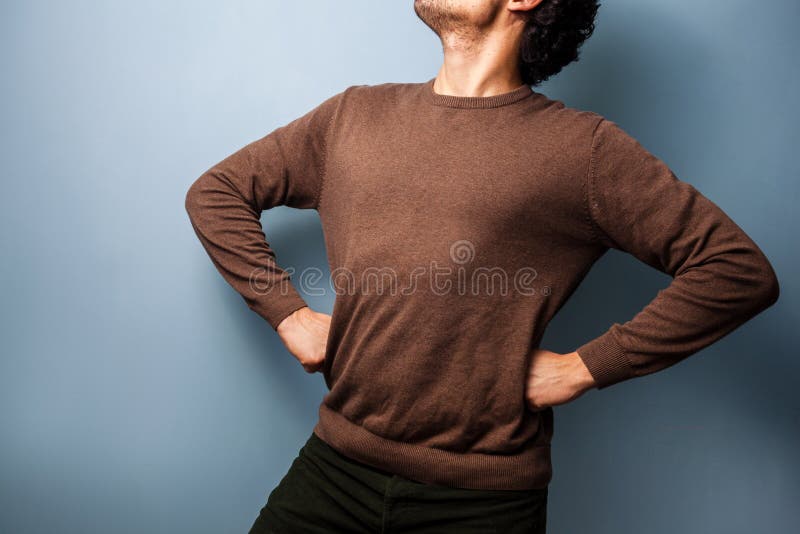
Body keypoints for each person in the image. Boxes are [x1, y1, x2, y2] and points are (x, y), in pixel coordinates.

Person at [184, 1, 780, 532]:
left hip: (482, 505)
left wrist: (584, 367)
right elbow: (217, 192)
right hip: (334, 470)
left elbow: (735, 269)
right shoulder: (353, 115)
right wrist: (288, 313)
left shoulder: (584, 152)